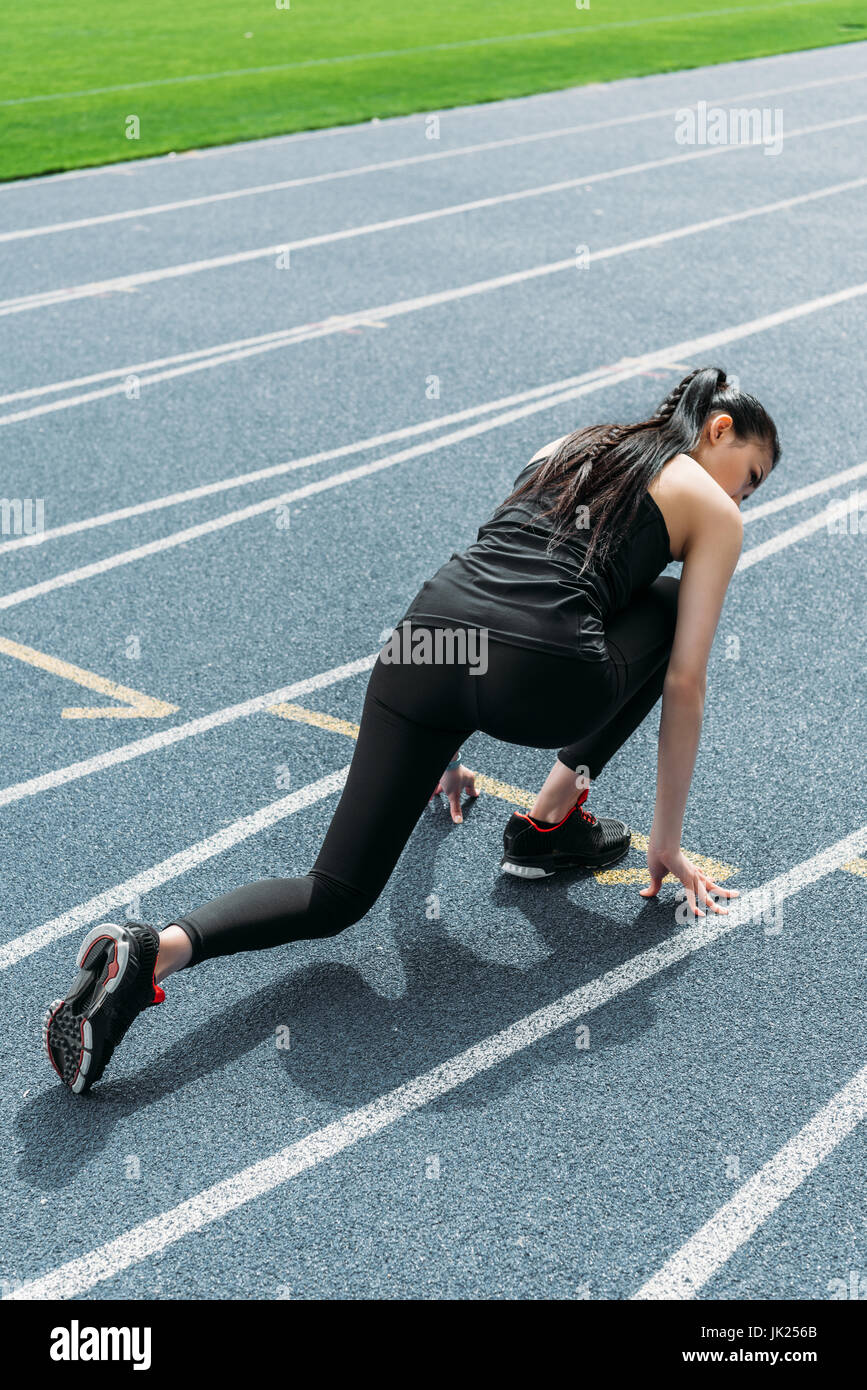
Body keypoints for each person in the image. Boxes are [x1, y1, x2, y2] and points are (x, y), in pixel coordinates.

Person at [43, 367, 779, 1093]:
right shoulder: (712, 513)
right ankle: (550, 822)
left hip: (422, 644)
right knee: (669, 603)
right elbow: (683, 680)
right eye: (746, 477)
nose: (740, 497)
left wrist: (444, 738)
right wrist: (664, 842)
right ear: (717, 430)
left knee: (332, 892)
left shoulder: (567, 444)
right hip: (545, 678)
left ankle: (153, 952)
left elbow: (499, 584)